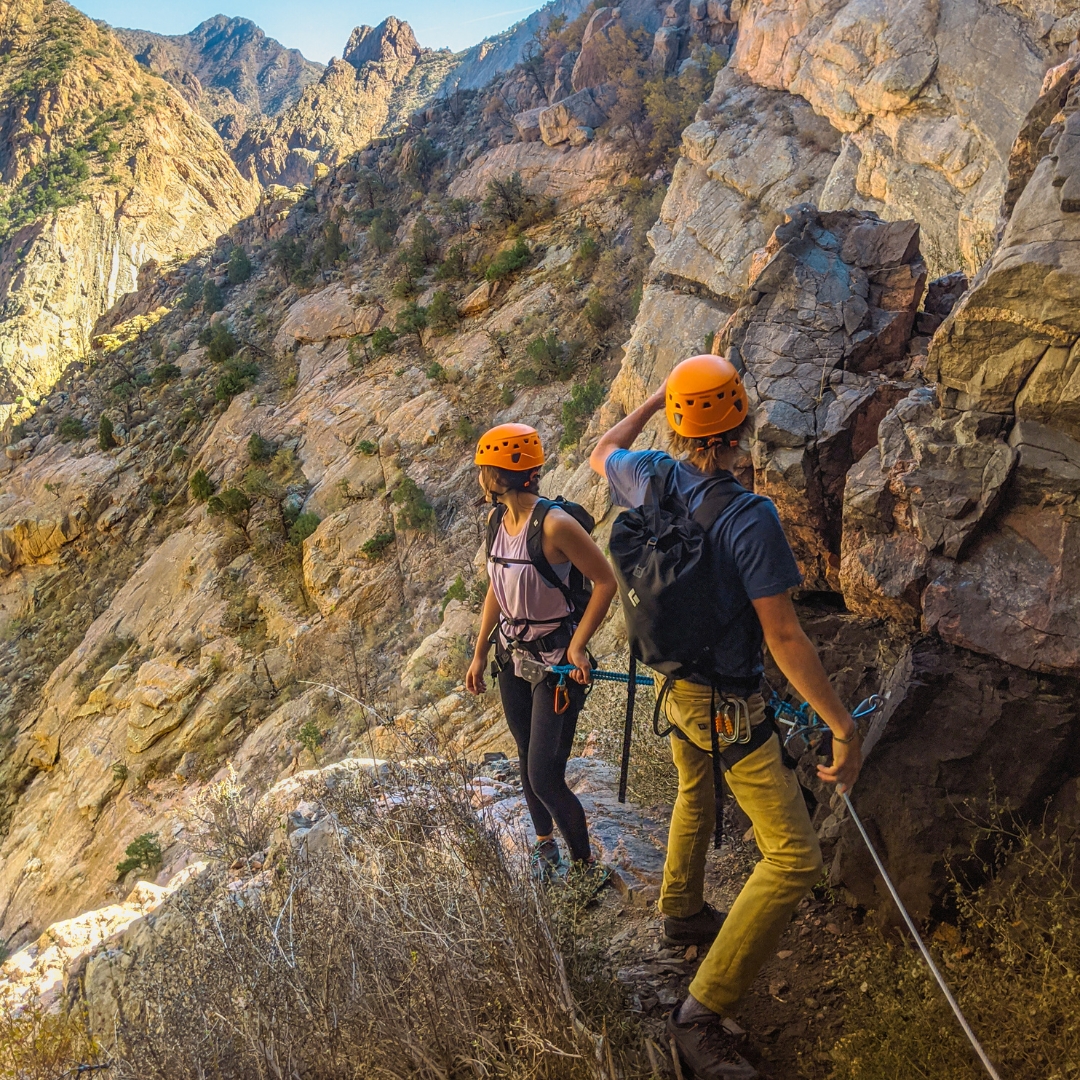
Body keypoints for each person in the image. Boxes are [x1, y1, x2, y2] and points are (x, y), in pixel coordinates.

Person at [589, 356, 863, 1080]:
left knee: (692, 789)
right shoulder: (750, 518)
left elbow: (599, 450)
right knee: (794, 859)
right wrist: (843, 724)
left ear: (682, 427)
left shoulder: (650, 473)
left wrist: (654, 399)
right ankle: (699, 1015)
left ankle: (680, 909)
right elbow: (784, 638)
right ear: (742, 429)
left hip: (675, 690)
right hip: (726, 706)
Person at [466, 423, 617, 877]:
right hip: (512, 657)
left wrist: (578, 647)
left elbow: (605, 582)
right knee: (524, 750)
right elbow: (498, 587)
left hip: (555, 665)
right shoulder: (497, 521)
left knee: (544, 775)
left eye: (483, 468)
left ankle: (585, 868)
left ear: (499, 475)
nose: (479, 475)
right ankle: (544, 844)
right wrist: (477, 653)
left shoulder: (555, 524)